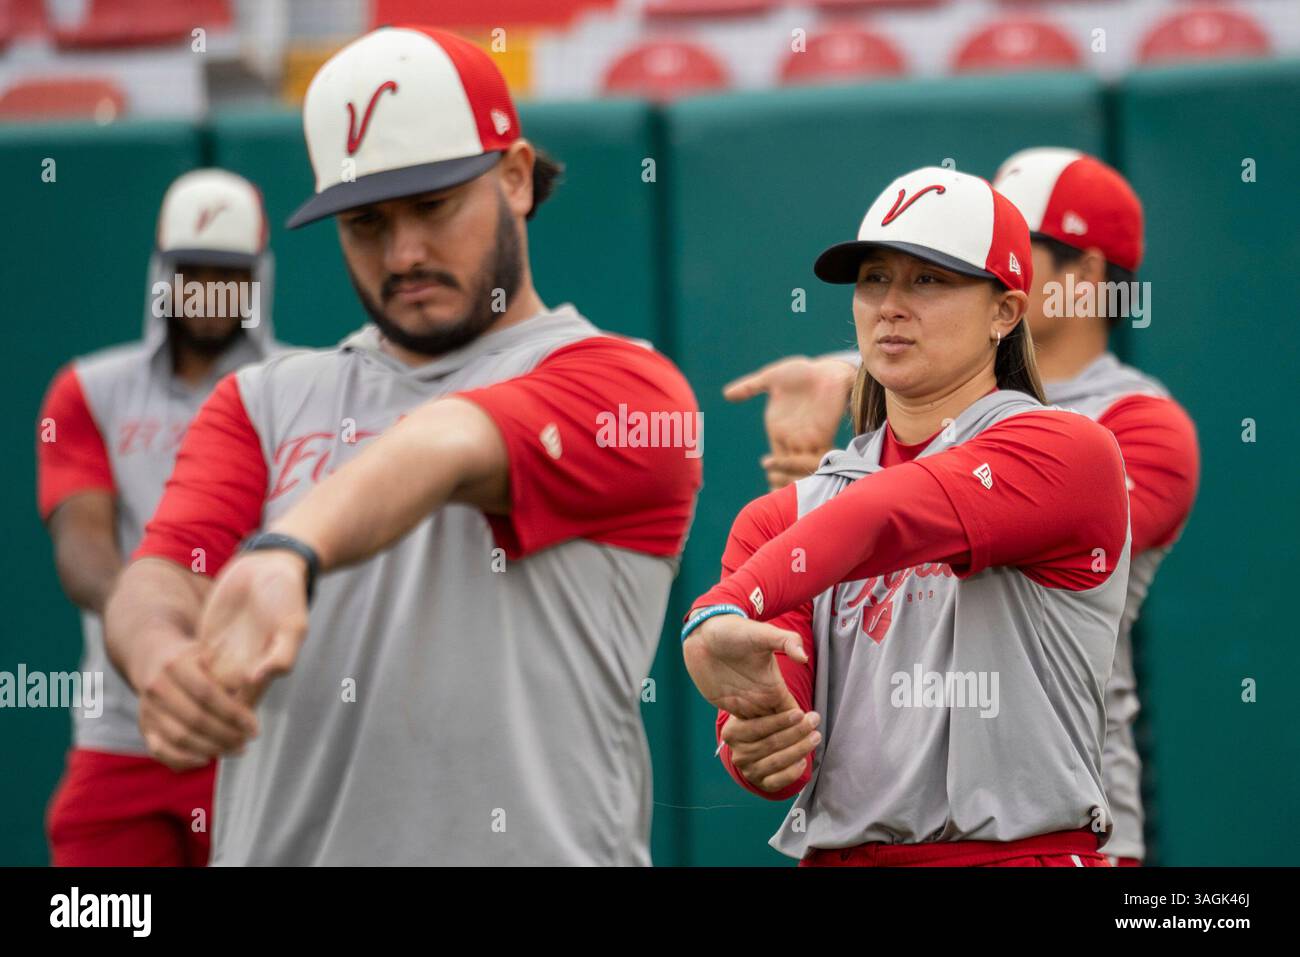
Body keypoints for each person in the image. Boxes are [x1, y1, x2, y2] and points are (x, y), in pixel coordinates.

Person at [104, 25, 701, 866]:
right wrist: (162, 658)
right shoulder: (262, 397)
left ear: (517, 177)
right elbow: (158, 575)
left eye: (433, 205)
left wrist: (288, 552)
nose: (404, 252)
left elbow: (450, 439)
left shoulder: (630, 389)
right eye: (365, 222)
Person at [724, 148, 1200, 865]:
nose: (893, 302)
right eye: (876, 278)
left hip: (1041, 809)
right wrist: (763, 721)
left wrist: (739, 590)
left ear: (1084, 277)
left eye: (931, 277)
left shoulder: (1116, 430)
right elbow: (784, 721)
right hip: (864, 827)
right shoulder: (845, 476)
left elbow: (944, 501)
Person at [36, 169, 280, 865]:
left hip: (260, 734)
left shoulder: (296, 388)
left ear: (257, 277)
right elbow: (80, 541)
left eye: (226, 271)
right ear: (162, 274)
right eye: (190, 269)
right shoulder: (88, 389)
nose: (207, 288)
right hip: (124, 731)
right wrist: (151, 629)